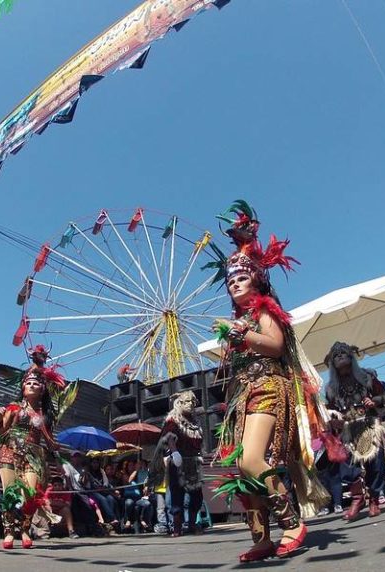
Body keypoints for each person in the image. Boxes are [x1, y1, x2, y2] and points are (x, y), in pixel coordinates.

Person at [208, 201, 328, 562]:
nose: (234, 283)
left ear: (256, 279)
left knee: (251, 459)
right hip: (243, 396)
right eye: (230, 281)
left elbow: (274, 346)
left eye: (241, 278)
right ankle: (261, 538)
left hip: (267, 389)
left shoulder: (263, 311)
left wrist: (241, 335)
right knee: (239, 467)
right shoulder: (241, 319)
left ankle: (291, 522)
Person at [0, 368, 61, 549]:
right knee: (10, 494)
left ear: (42, 389)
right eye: (28, 383)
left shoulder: (45, 415)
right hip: (10, 451)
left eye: (36, 383)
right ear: (23, 388)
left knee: (30, 495)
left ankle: (24, 529)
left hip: (33, 456)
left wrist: (57, 452)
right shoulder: (14, 407)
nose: (31, 385)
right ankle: (9, 532)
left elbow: (49, 441)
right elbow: (1, 431)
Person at [324, 342, 385, 521]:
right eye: (336, 355)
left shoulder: (367, 377)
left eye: (343, 353)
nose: (340, 356)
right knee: (347, 465)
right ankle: (357, 498)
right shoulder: (331, 388)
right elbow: (330, 410)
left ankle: (374, 499)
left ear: (351, 356)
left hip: (369, 425)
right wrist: (333, 420)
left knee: (375, 464)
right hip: (347, 430)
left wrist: (374, 401)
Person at [148, 393, 204, 537]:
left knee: (197, 496)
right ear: (180, 403)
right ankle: (177, 528)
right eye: (187, 401)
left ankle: (192, 524)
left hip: (193, 463)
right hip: (178, 462)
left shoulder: (196, 421)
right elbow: (169, 437)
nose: (190, 404)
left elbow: (198, 441)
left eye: (193, 402)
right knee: (177, 496)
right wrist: (175, 452)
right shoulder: (173, 419)